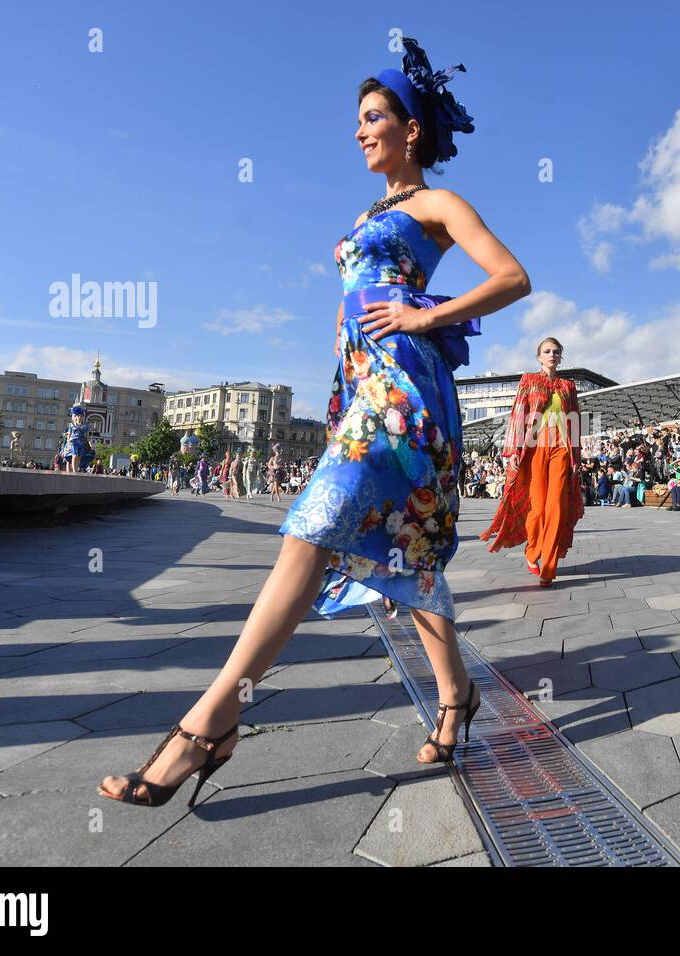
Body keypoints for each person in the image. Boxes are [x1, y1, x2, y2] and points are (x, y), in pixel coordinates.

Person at [98, 37, 527, 808]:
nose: (360, 132)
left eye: (372, 118)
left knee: (313, 525)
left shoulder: (436, 205)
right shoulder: (372, 211)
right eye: (358, 121)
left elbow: (511, 278)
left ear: (411, 128)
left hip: (405, 395)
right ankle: (457, 694)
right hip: (363, 392)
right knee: (408, 561)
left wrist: (425, 317)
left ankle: (210, 722)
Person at [478, 338, 583, 586]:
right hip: (534, 448)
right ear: (539, 357)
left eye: (556, 352)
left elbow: (575, 419)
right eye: (547, 351)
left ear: (561, 357)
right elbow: (518, 414)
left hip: (561, 448)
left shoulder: (568, 386)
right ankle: (532, 552)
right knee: (537, 509)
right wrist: (514, 450)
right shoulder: (529, 381)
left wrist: (576, 455)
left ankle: (548, 566)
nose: (552, 355)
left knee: (557, 505)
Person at [59, 406, 95, 474]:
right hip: (73, 442)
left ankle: (75, 469)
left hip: (81, 443)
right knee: (74, 455)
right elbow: (69, 434)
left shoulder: (85, 426)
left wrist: (90, 444)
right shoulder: (72, 425)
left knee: (79, 456)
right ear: (76, 416)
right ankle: (74, 471)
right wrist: (69, 442)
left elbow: (87, 437)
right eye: (79, 416)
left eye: (82, 416)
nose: (81, 417)